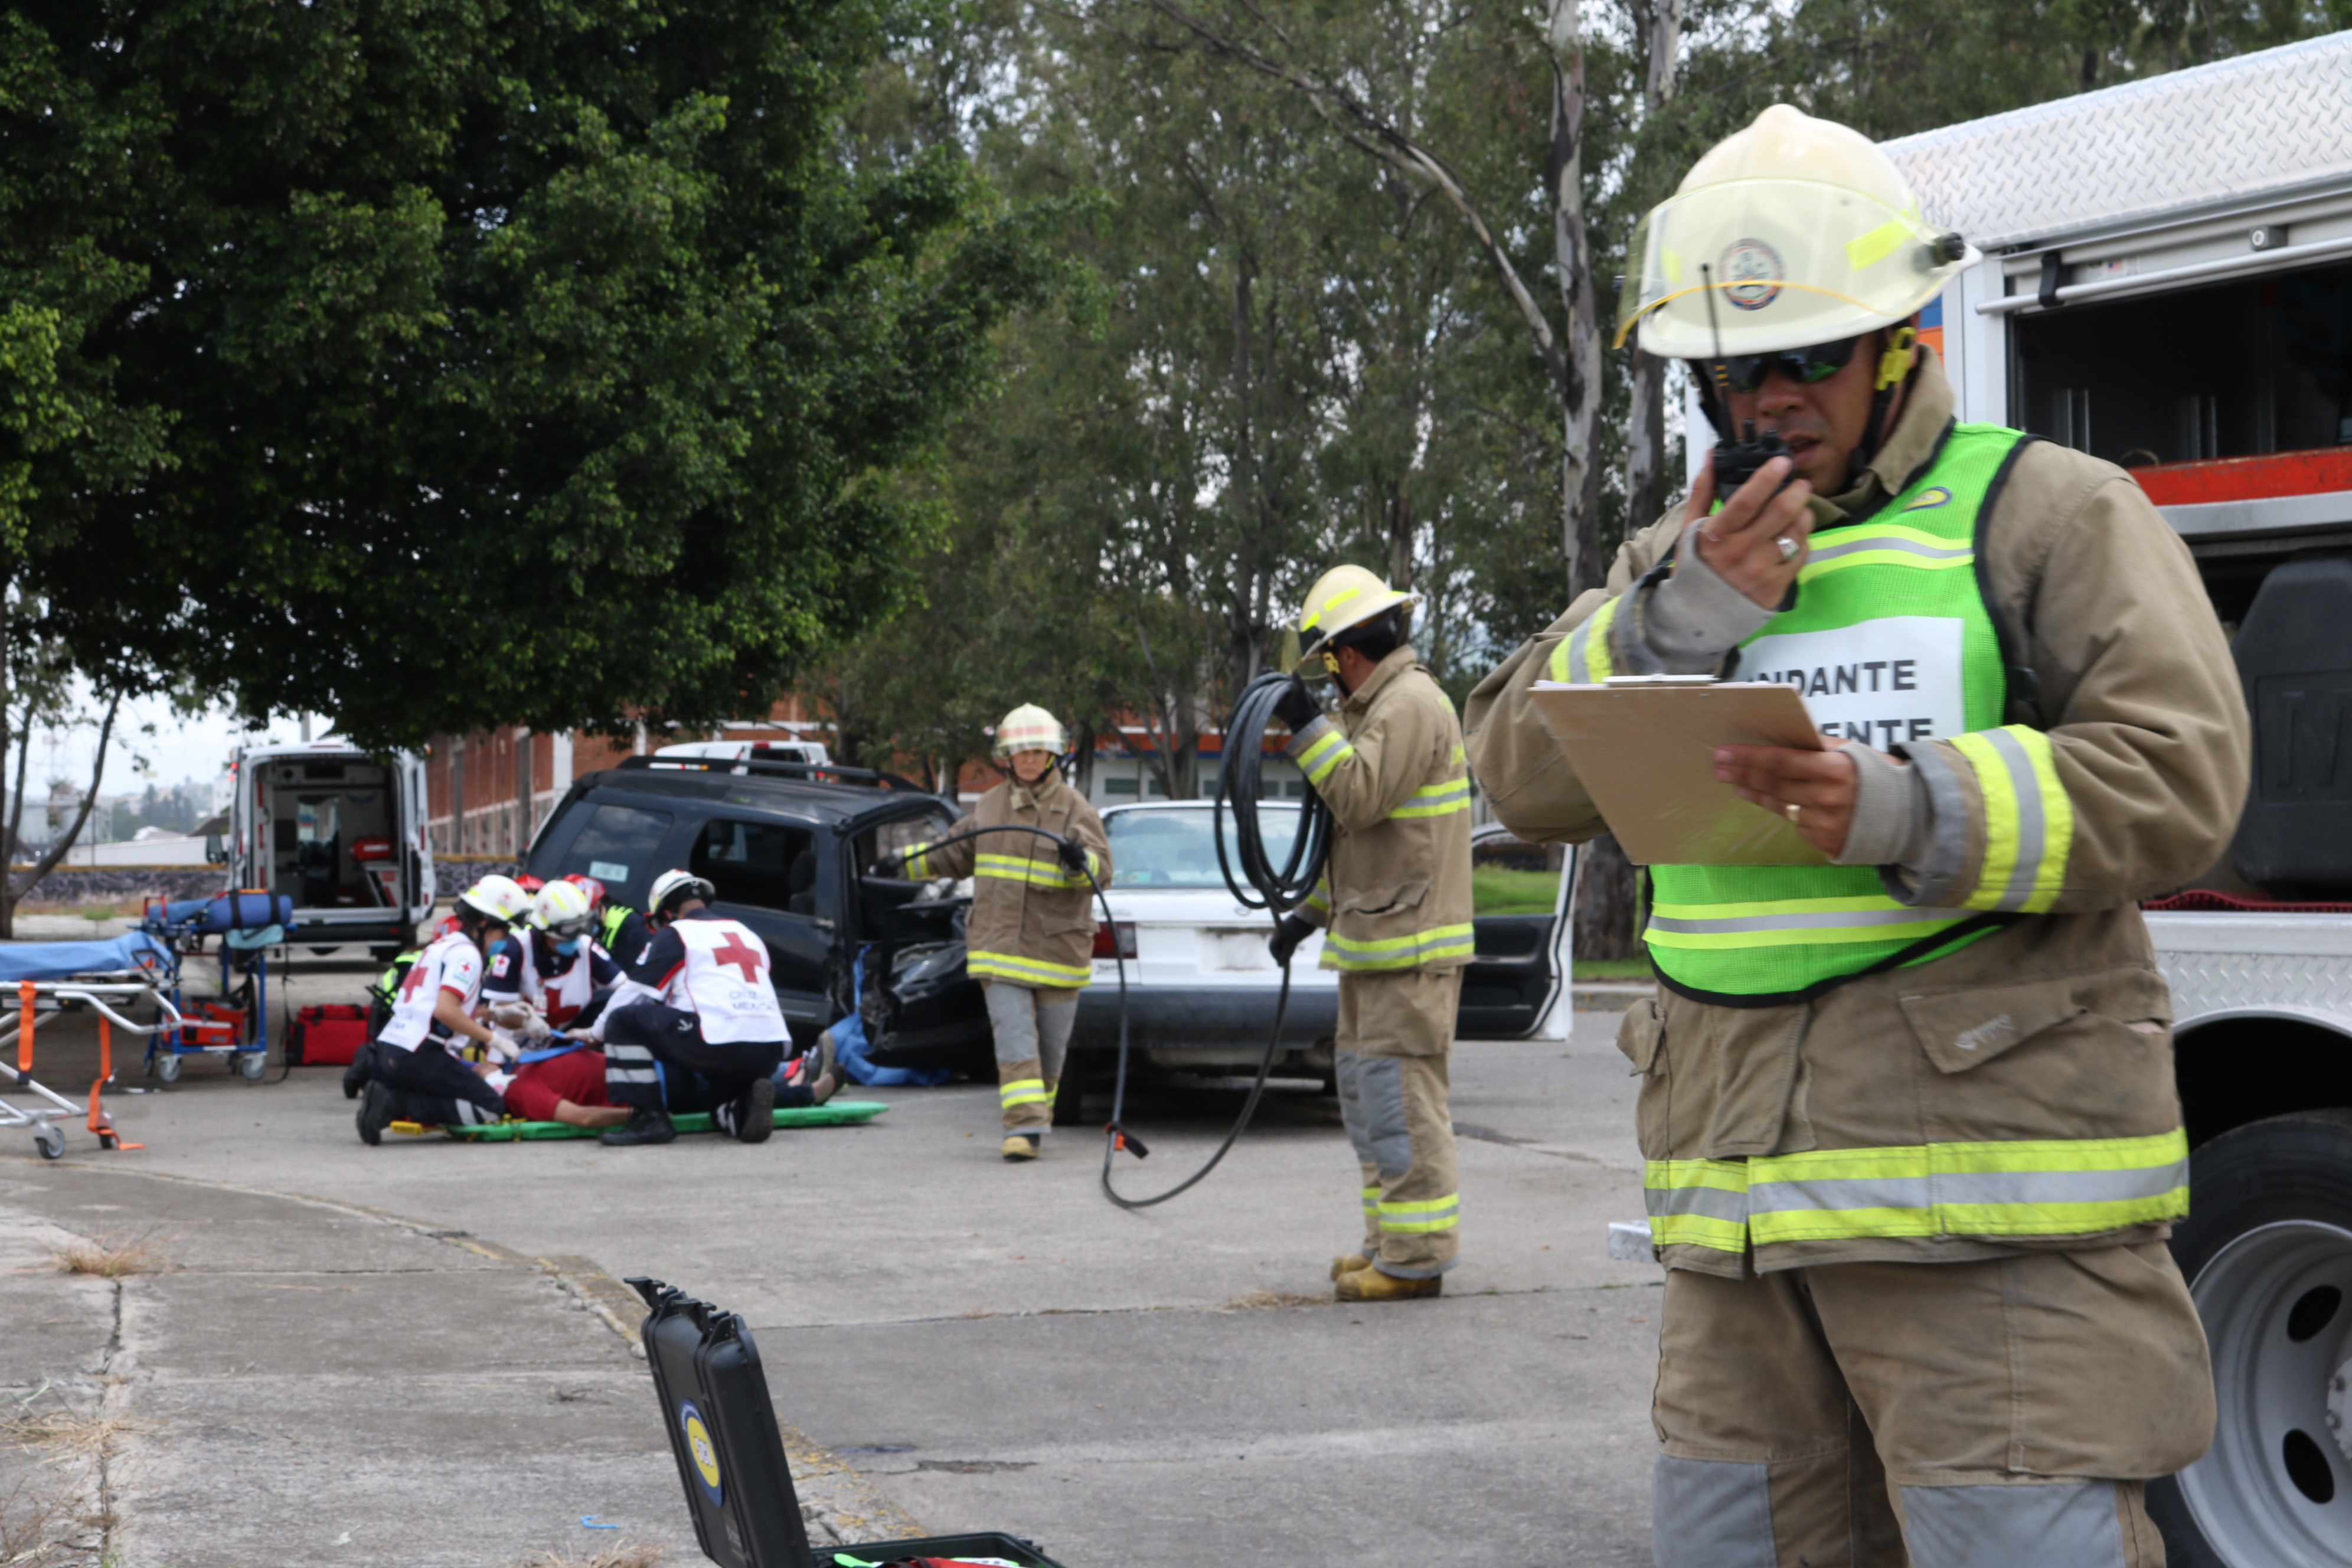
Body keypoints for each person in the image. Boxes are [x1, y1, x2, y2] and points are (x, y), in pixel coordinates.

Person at [1462, 103, 2251, 1566]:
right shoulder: (1672, 556)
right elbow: (1511, 774)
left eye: (1806, 358)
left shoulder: (2048, 515)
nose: (1765, 402)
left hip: (1998, 1235)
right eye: (1730, 371)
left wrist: (1901, 804)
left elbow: (2181, 774)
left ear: (1902, 342)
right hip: (1739, 1237)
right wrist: (1676, 617)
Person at [1260, 567, 1472, 1304]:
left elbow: (1355, 797)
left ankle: (1417, 1259)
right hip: (1375, 948)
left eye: (1323, 661)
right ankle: (1389, 1241)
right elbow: (1355, 844)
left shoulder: (1410, 705)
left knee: (1405, 1107)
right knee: (1371, 1103)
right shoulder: (1378, 709)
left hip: (1410, 953)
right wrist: (1307, 916)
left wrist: (1305, 725)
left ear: (1343, 654)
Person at [871, 704, 1109, 1161]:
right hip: (999, 950)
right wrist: (901, 863)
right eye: (1021, 752)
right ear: (1007, 756)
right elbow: (952, 852)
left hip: (1058, 952)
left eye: (1038, 752)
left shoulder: (1076, 810)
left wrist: (1084, 864)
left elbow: (1104, 873)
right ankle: (1023, 1131)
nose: (1030, 760)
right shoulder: (991, 806)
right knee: (1015, 1038)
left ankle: (1036, 1117)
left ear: (1052, 755)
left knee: (1050, 1053)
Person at [582, 869, 792, 1146]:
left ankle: (650, 1118)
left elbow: (634, 993)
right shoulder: (747, 934)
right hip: (770, 1048)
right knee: (719, 1103)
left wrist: (595, 1033)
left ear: (667, 914)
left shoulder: (677, 934)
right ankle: (741, 1111)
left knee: (623, 1020)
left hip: (717, 1041)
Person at [355, 875, 535, 1144]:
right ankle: (396, 1103)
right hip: (421, 1054)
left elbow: (441, 1008)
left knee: (466, 1084)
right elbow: (446, 1012)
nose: (507, 939)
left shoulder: (444, 945)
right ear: (485, 923)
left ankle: (386, 1096)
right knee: (490, 1107)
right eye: (505, 931)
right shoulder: (468, 956)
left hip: (395, 1047)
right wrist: (494, 1039)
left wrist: (498, 1015)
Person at [484, 879, 622, 1030]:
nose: (575, 936)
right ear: (544, 930)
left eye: (582, 926)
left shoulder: (586, 948)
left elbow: (626, 989)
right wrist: (525, 1023)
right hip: (517, 1043)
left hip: (567, 1041)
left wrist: (595, 1031)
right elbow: (494, 1012)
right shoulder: (515, 950)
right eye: (570, 929)